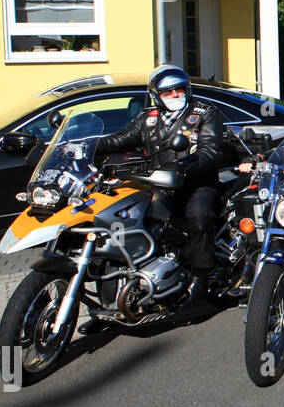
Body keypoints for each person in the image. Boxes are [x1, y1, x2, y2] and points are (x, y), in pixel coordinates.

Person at [87, 65, 226, 329]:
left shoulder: (205, 114)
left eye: (179, 89)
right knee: (120, 222)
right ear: (156, 95)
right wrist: (88, 146)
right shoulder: (148, 118)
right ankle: (112, 301)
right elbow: (119, 139)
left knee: (199, 216)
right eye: (167, 91)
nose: (175, 95)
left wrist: (186, 164)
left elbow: (211, 150)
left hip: (196, 183)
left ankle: (200, 279)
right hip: (157, 184)